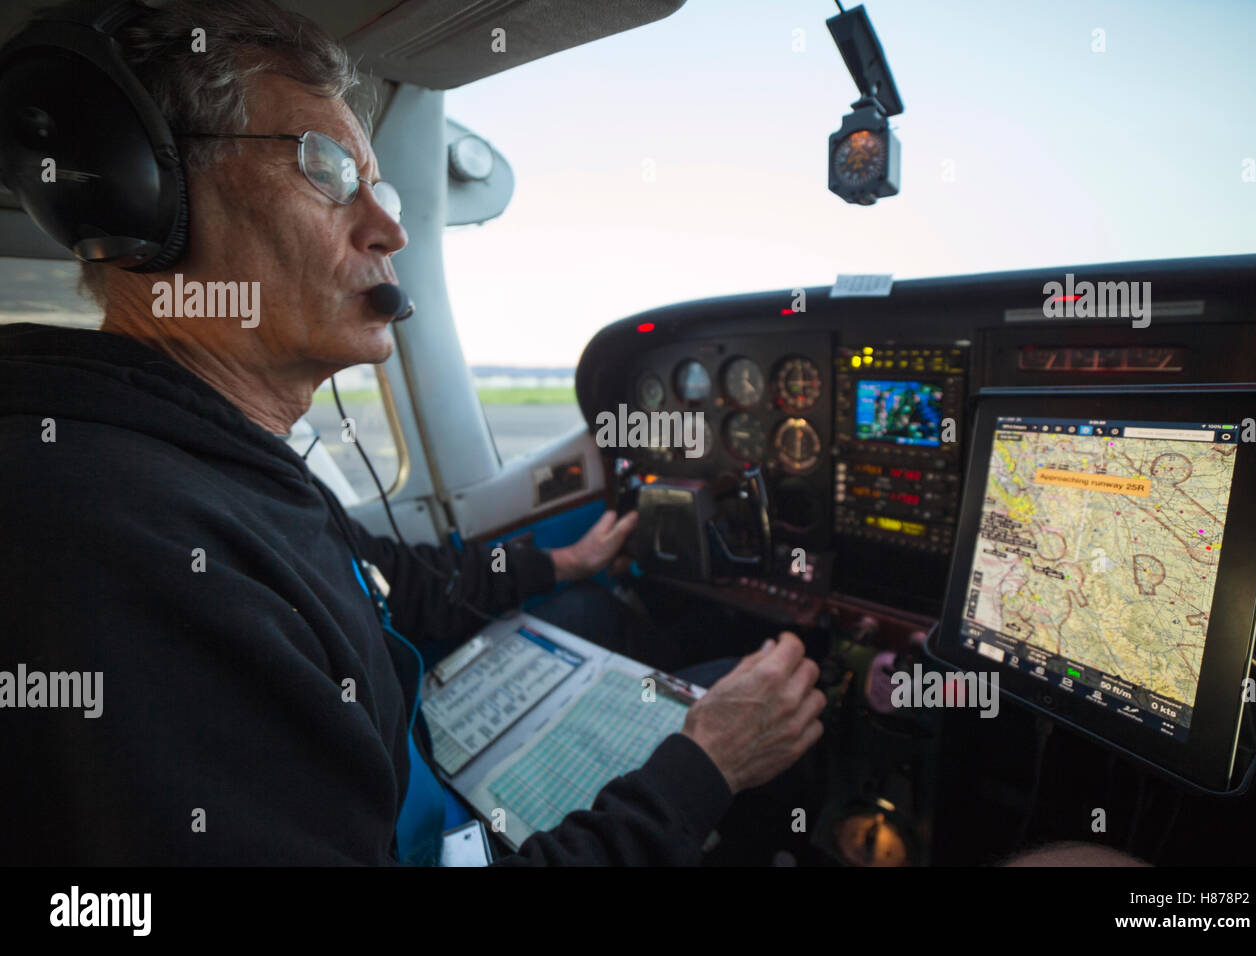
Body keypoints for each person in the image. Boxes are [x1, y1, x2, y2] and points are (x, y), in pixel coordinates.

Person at [0, 0, 825, 866]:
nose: (389, 229)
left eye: (381, 188)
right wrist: (703, 769)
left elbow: (392, 584)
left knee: (591, 607)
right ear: (146, 191)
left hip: (408, 789)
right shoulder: (120, 545)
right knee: (742, 723)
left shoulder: (222, 460)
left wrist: (561, 562)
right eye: (326, 169)